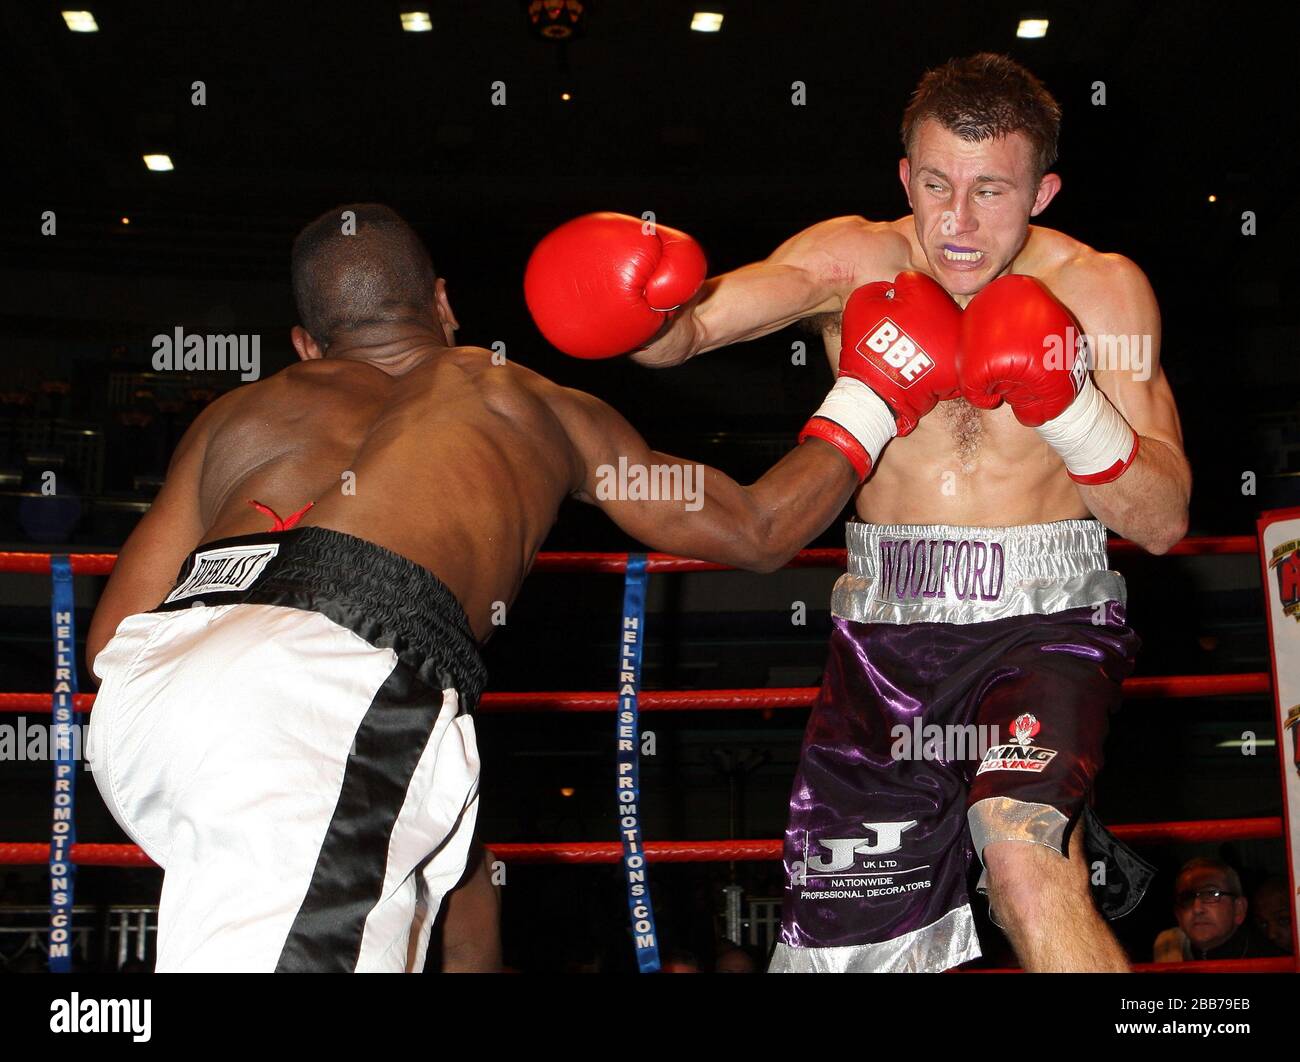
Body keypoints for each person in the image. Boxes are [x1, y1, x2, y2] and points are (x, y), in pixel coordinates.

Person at [524, 53, 1192, 972]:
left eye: (990, 191)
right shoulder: (852, 259)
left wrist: (1070, 407)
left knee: (1024, 858)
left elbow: (1161, 518)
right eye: (934, 185)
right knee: (855, 951)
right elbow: (687, 333)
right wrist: (636, 309)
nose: (955, 223)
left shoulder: (1103, 288)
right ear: (904, 176)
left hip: (1046, 623)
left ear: (1043, 191)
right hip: (886, 644)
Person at [84, 204, 879, 972]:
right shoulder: (527, 398)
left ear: (304, 344)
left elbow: (110, 641)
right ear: (443, 303)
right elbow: (760, 528)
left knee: (444, 880)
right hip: (326, 698)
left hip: (157, 712)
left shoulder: (236, 412)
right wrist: (876, 391)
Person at [1170, 858, 1286, 961]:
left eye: (1211, 894)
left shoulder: (1272, 961)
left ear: (1238, 909)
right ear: (1178, 915)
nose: (1197, 909)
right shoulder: (1167, 951)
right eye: (1186, 898)